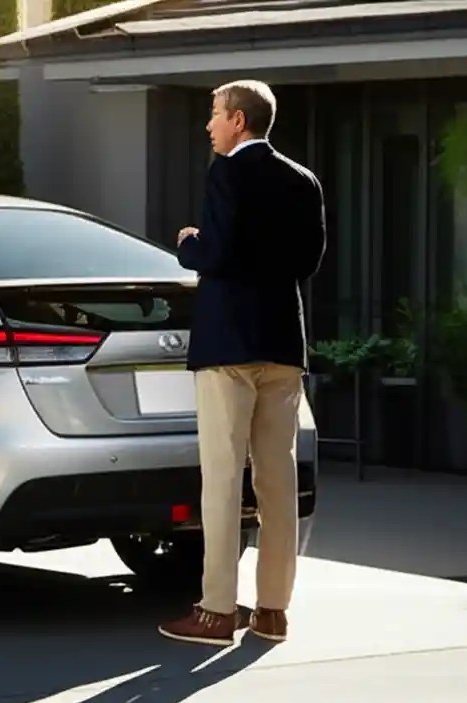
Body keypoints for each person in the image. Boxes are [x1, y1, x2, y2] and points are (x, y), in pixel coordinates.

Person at [157, 79, 326, 646]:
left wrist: (188, 243)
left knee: (224, 480)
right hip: (282, 345)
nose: (209, 125)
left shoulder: (226, 172)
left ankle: (215, 613)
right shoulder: (304, 181)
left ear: (238, 121)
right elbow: (308, 260)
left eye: (214, 114)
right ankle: (273, 611)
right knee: (277, 482)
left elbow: (218, 253)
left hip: (228, 347)